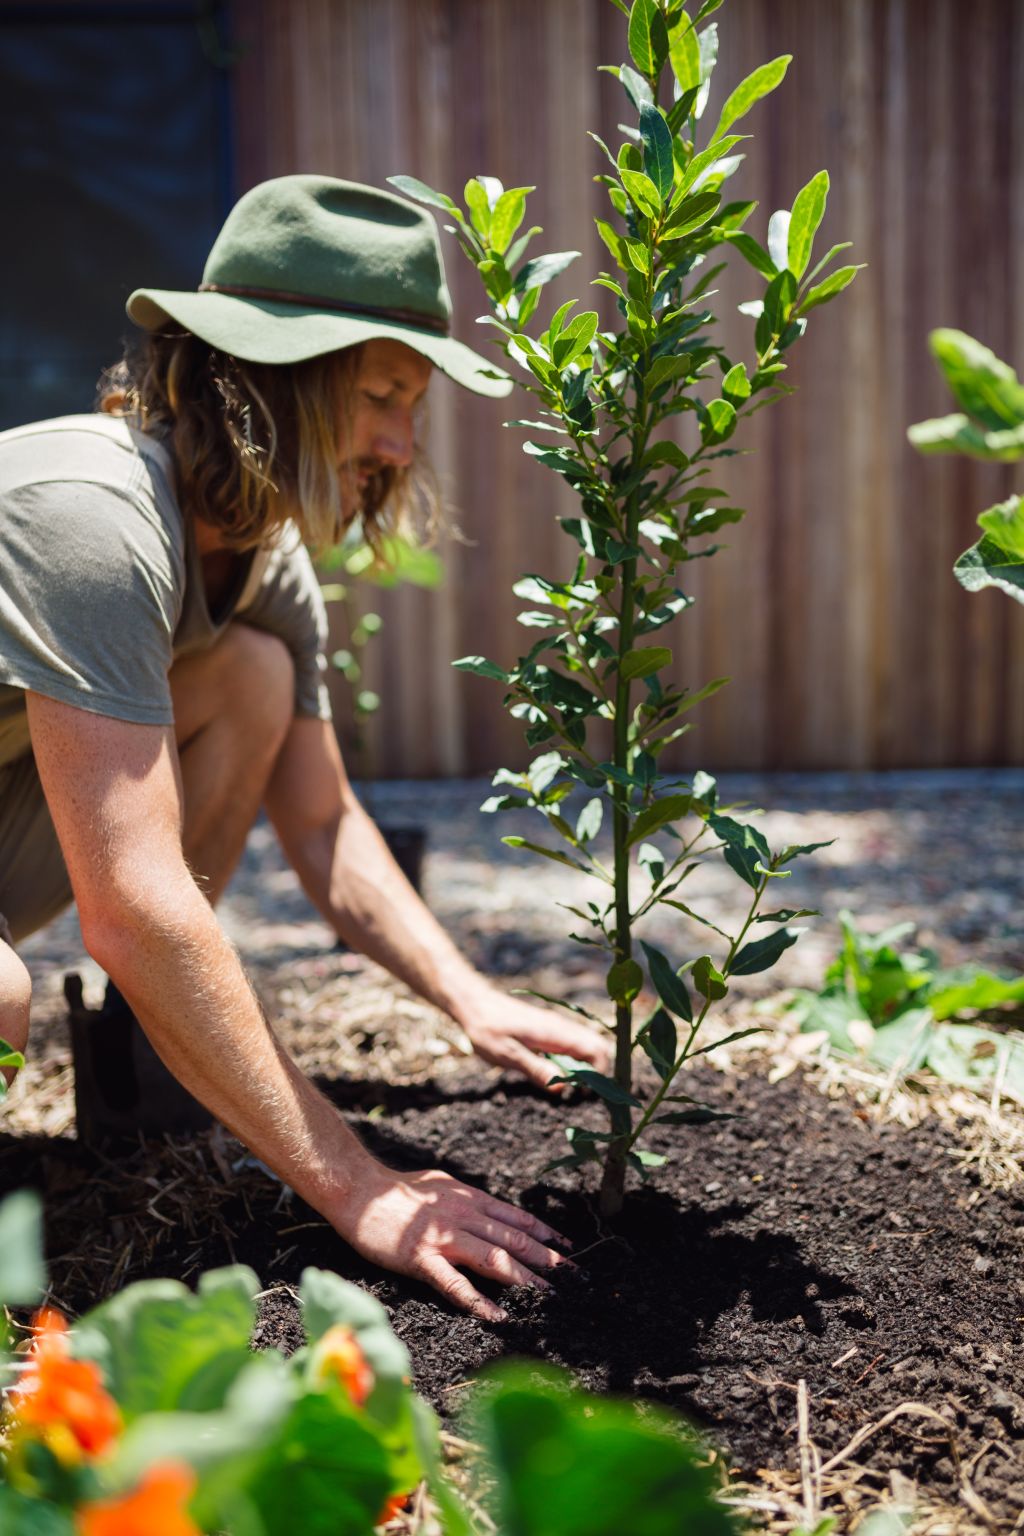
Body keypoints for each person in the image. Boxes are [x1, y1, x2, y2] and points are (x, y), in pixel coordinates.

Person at [0, 174, 609, 1322]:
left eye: (414, 405)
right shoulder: (92, 515)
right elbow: (128, 905)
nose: (399, 443)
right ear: (265, 383)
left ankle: (156, 1061)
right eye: (380, 395)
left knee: (250, 677)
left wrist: (467, 1000)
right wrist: (356, 1184)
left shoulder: (259, 559)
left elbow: (324, 824)